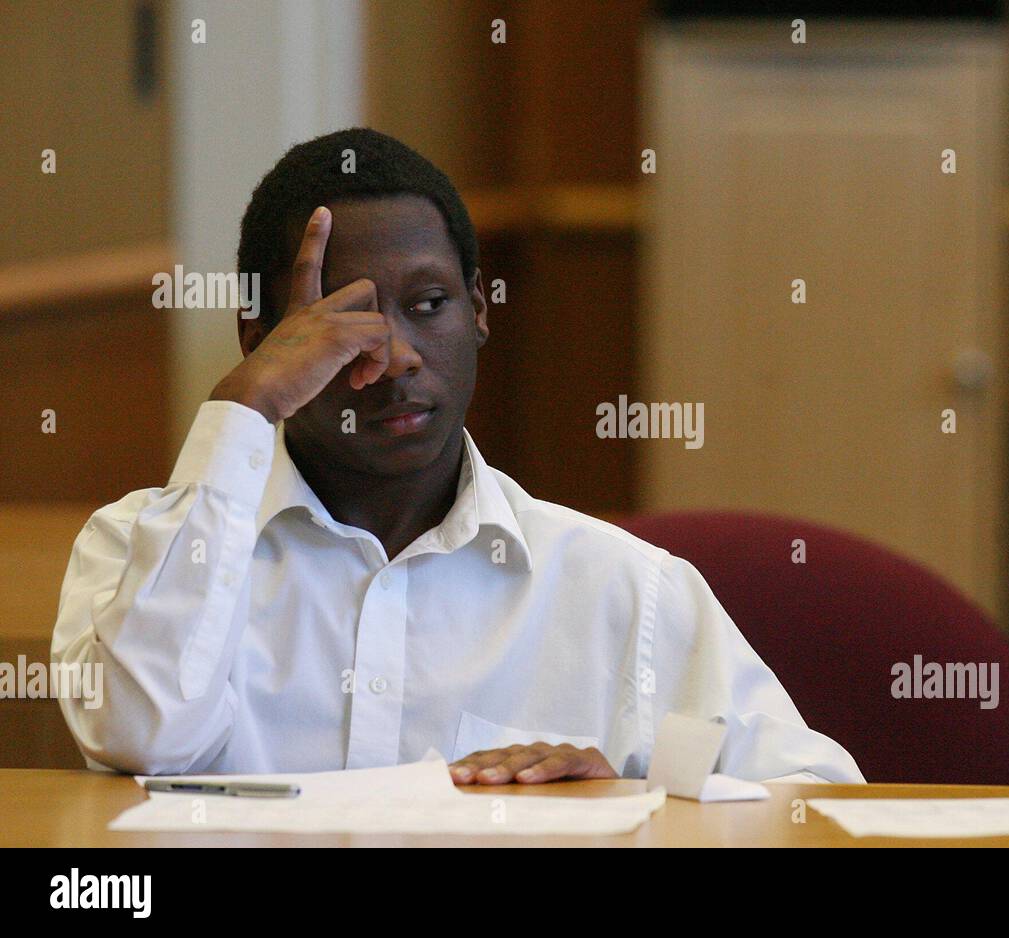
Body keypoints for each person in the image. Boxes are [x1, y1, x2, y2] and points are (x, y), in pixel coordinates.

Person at [51, 127, 864, 785]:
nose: (397, 355)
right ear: (264, 344)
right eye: (346, 323)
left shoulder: (621, 589)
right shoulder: (134, 552)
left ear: (478, 312)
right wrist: (245, 408)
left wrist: (636, 792)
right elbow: (144, 737)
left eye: (430, 305)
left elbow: (816, 798)